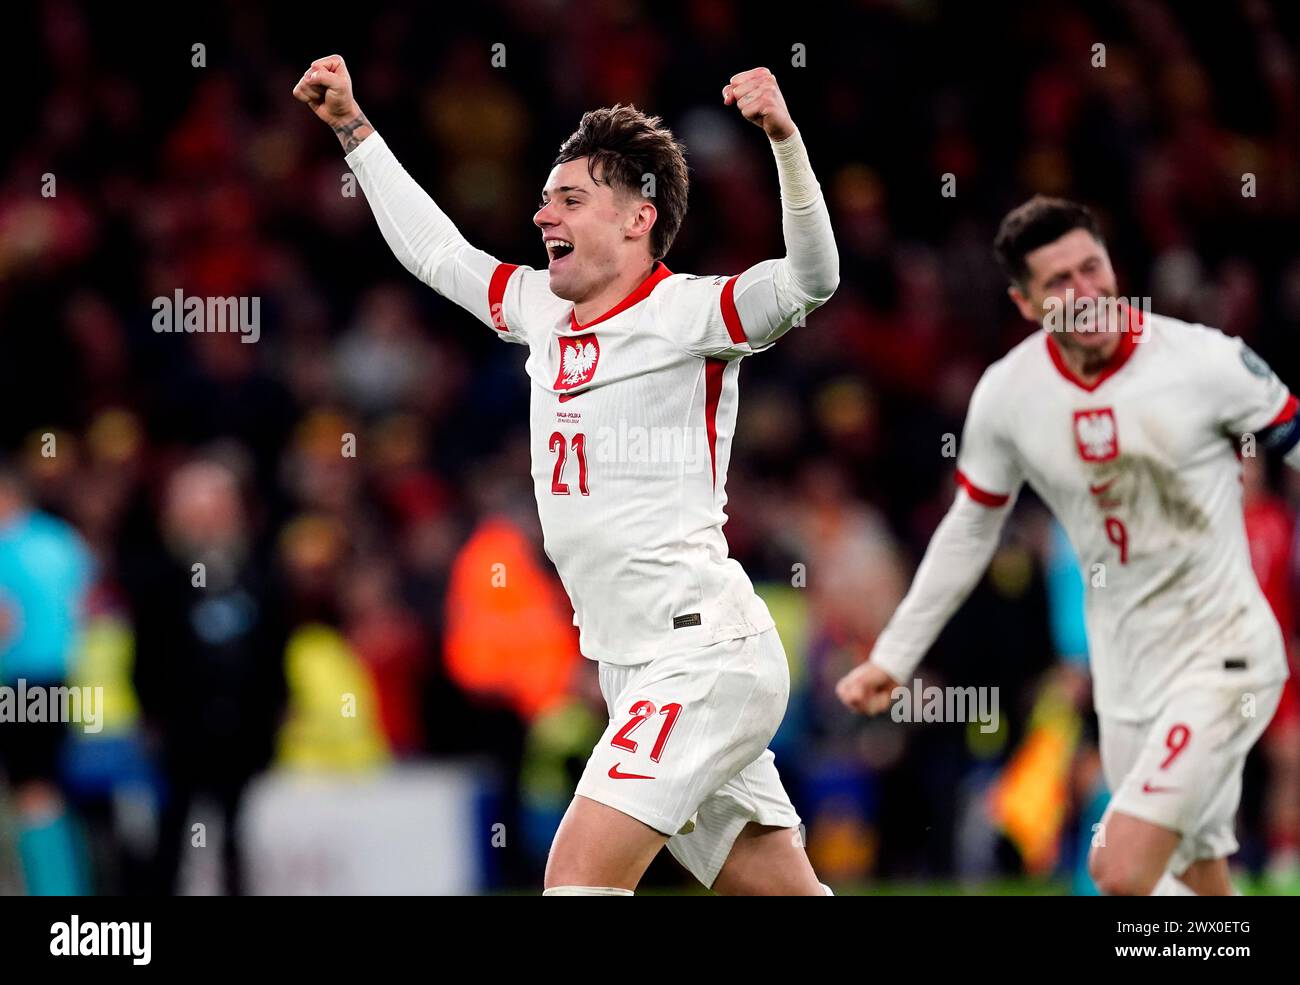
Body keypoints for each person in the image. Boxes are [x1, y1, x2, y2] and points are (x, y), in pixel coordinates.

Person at [293, 54, 838, 895]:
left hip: (702, 656)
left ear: (637, 220)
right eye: (546, 196)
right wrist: (352, 130)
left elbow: (813, 279)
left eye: (570, 198)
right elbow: (440, 254)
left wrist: (784, 141)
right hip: (633, 668)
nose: (542, 212)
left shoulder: (686, 314)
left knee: (578, 875)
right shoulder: (543, 315)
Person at [837, 196, 1294, 895]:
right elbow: (969, 528)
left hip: (1222, 653)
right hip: (1126, 677)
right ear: (1025, 302)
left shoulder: (1205, 360)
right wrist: (895, 655)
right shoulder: (1010, 393)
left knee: (1118, 868)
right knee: (1199, 882)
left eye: (1093, 267)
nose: (1085, 293)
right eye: (1059, 282)